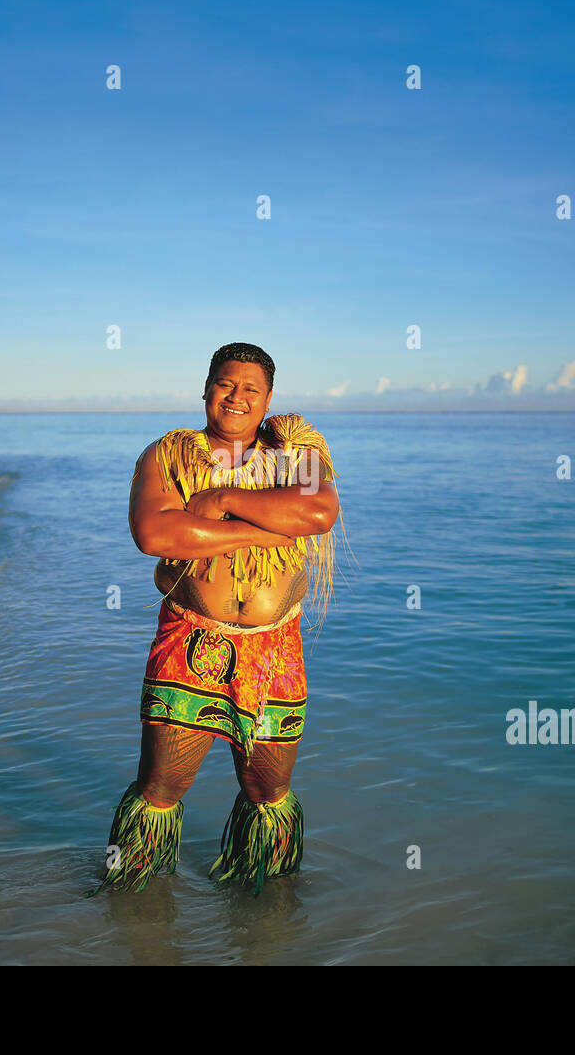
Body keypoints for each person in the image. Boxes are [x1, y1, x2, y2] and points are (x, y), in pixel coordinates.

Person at [88, 342, 341, 897]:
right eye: (227, 384)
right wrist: (270, 527)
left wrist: (222, 496)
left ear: (269, 398)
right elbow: (156, 535)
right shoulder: (169, 454)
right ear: (206, 388)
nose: (238, 396)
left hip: (274, 650)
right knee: (161, 785)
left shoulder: (292, 454)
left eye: (252, 389)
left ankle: (265, 912)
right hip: (191, 642)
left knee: (268, 787)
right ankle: (132, 908)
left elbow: (318, 512)